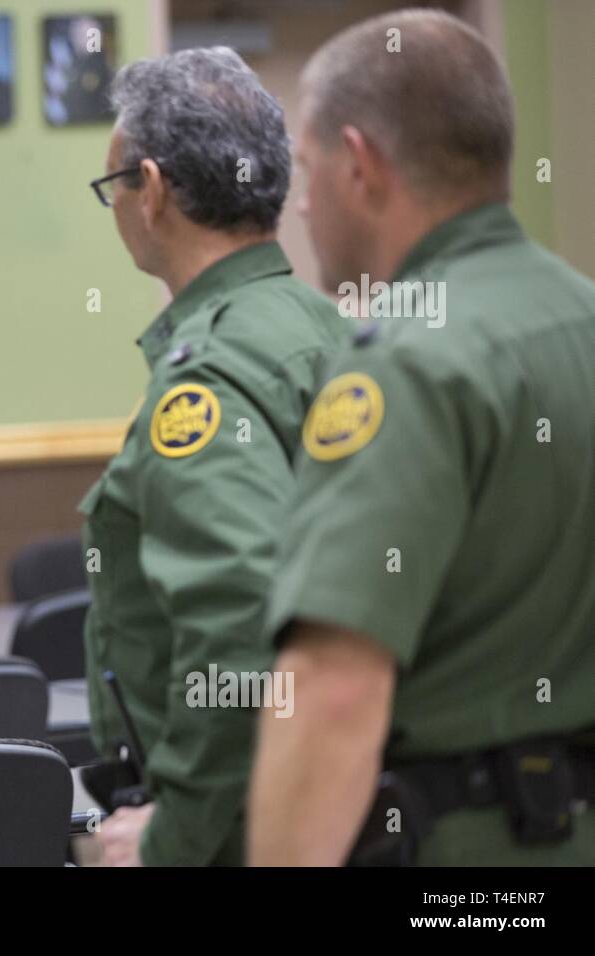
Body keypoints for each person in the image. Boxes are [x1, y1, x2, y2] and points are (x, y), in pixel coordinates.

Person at [248, 9, 595, 866]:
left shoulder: (403, 362)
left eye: (306, 167)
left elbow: (332, 695)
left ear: (360, 165)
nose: (300, 199)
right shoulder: (582, 320)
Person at [82, 48, 351, 866]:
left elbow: (237, 634)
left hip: (242, 828)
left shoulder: (211, 379)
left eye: (113, 188)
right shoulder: (332, 331)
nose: (117, 208)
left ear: (152, 189)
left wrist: (174, 839)